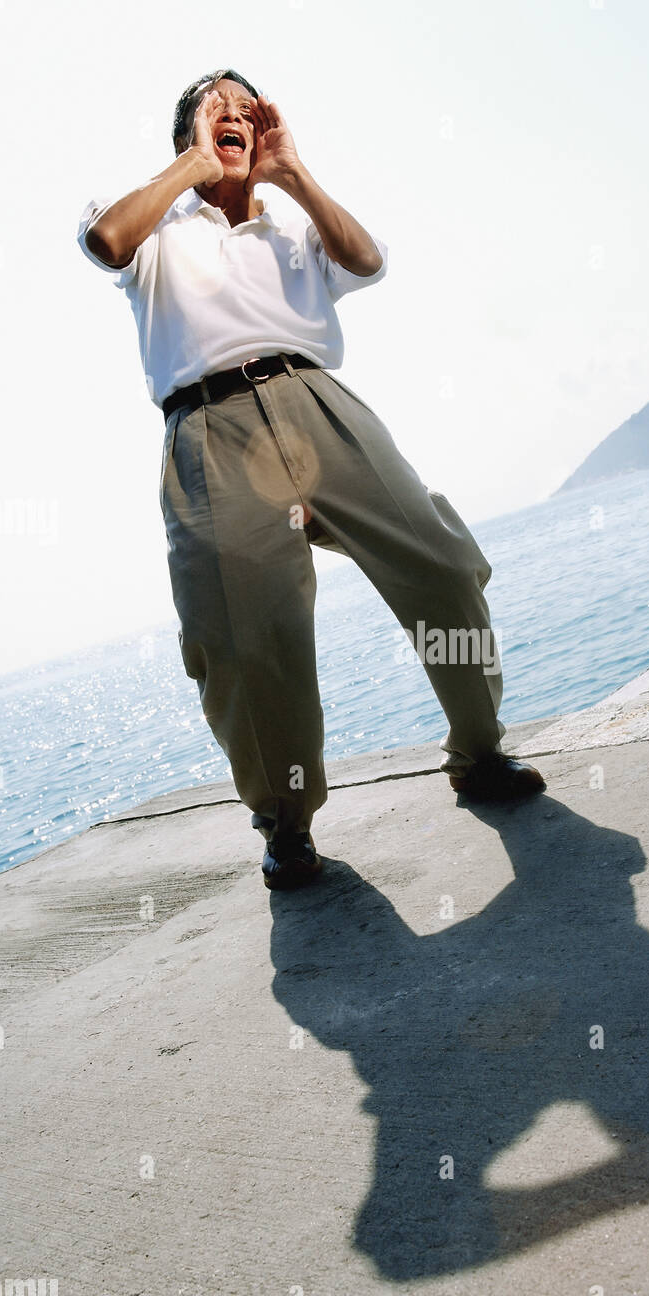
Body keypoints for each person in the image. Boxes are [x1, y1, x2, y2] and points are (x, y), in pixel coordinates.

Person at [78, 68, 545, 890]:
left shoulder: (293, 235)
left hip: (317, 402)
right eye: (212, 106)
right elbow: (106, 242)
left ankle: (479, 754)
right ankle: (287, 829)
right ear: (186, 132)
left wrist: (289, 173)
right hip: (208, 427)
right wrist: (193, 167)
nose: (231, 113)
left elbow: (365, 261)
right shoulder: (154, 226)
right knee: (245, 640)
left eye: (244, 108)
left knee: (437, 563)